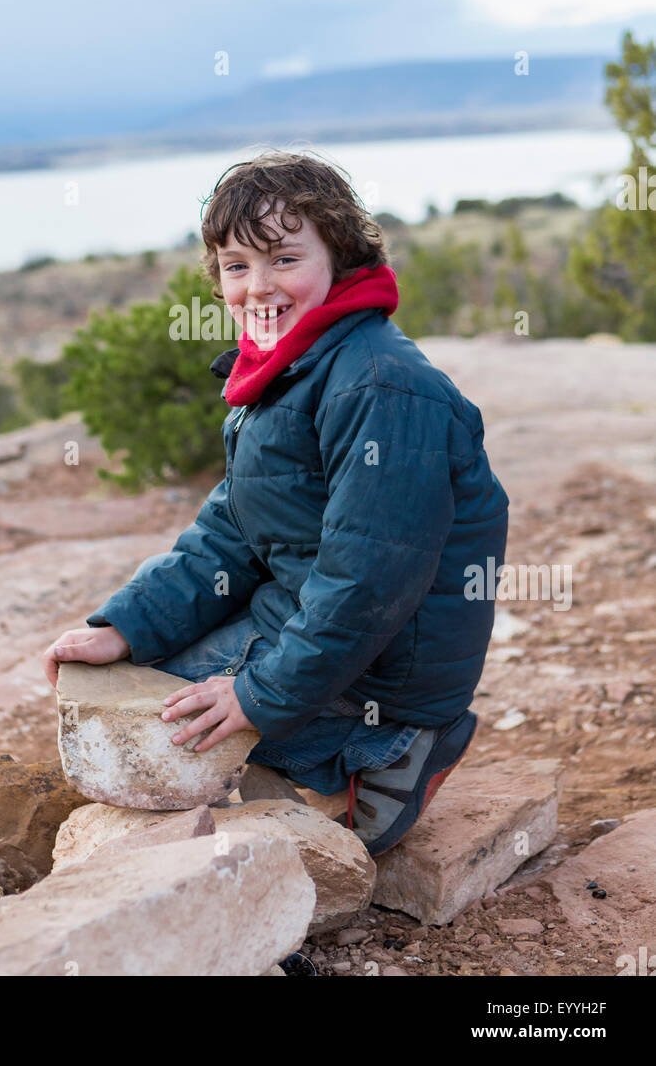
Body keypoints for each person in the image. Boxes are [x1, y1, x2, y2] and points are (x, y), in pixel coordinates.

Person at [43, 152, 509, 855]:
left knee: (161, 716)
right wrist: (129, 626)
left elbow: (368, 583)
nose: (257, 287)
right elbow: (230, 531)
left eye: (284, 258)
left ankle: (386, 749)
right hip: (312, 618)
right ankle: (310, 744)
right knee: (136, 675)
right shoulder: (295, 364)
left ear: (340, 256)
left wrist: (256, 696)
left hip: (388, 672)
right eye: (236, 266)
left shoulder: (380, 387)